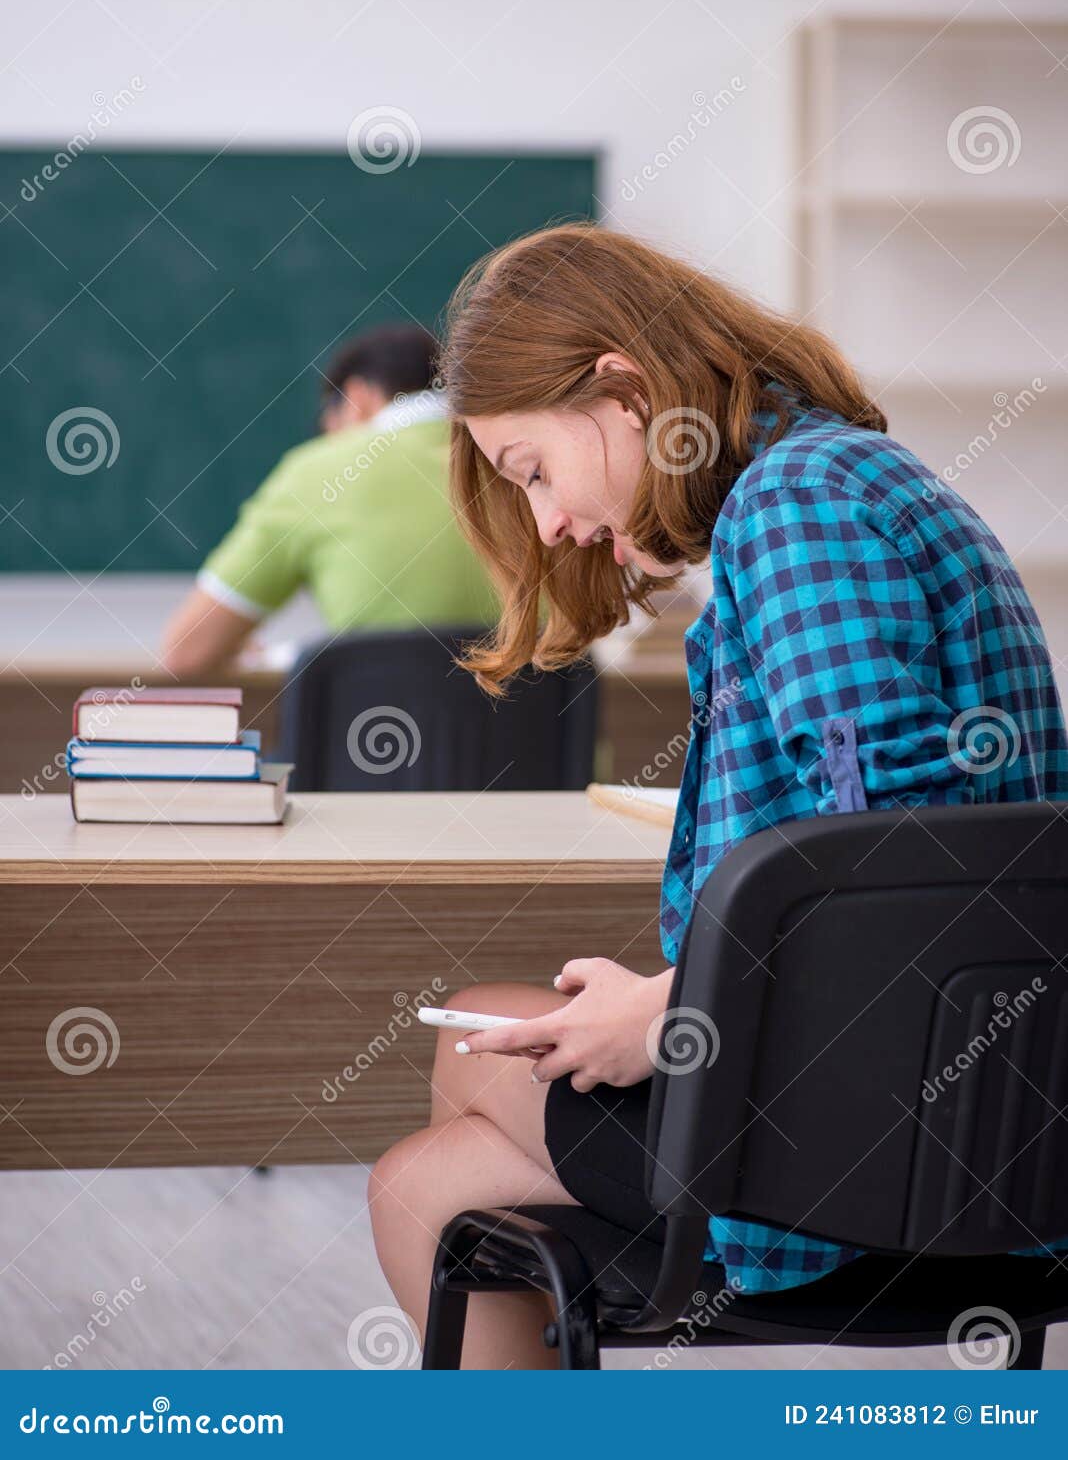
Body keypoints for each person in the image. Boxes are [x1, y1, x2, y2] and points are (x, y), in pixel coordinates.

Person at [368, 222, 1068, 1369]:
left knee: (464, 1080)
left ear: (623, 386)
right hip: (987, 1112)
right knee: (426, 1179)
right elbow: (895, 843)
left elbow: (909, 865)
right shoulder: (835, 477)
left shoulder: (794, 506)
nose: (547, 522)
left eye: (535, 470)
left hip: (892, 1145)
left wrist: (665, 1013)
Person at [161, 322, 497, 675]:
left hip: (371, 724)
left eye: (329, 423)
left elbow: (186, 652)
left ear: (356, 398)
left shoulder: (314, 473)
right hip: (534, 724)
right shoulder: (520, 456)